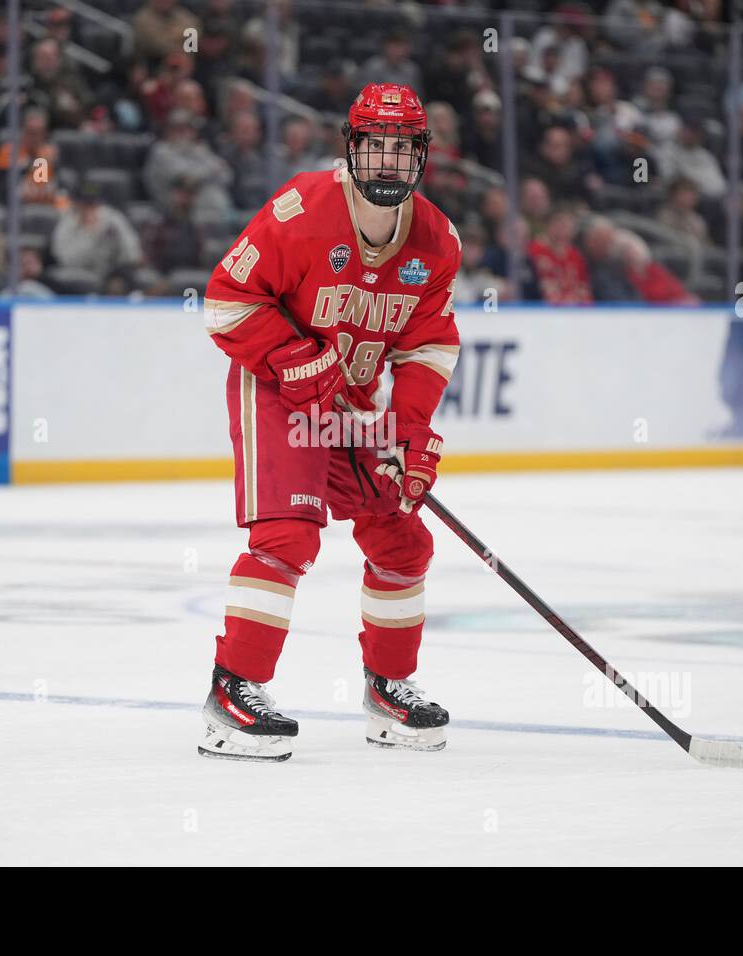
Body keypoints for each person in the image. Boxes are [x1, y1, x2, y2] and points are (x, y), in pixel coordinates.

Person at [199, 83, 461, 761]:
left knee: (402, 540)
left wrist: (408, 433)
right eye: (374, 145)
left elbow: (429, 345)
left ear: (420, 158)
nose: (386, 163)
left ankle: (388, 689)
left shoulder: (436, 241)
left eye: (400, 150)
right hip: (276, 394)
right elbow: (226, 303)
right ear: (352, 149)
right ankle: (234, 693)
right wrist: (295, 361)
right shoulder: (301, 212)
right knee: (287, 534)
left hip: (348, 406)